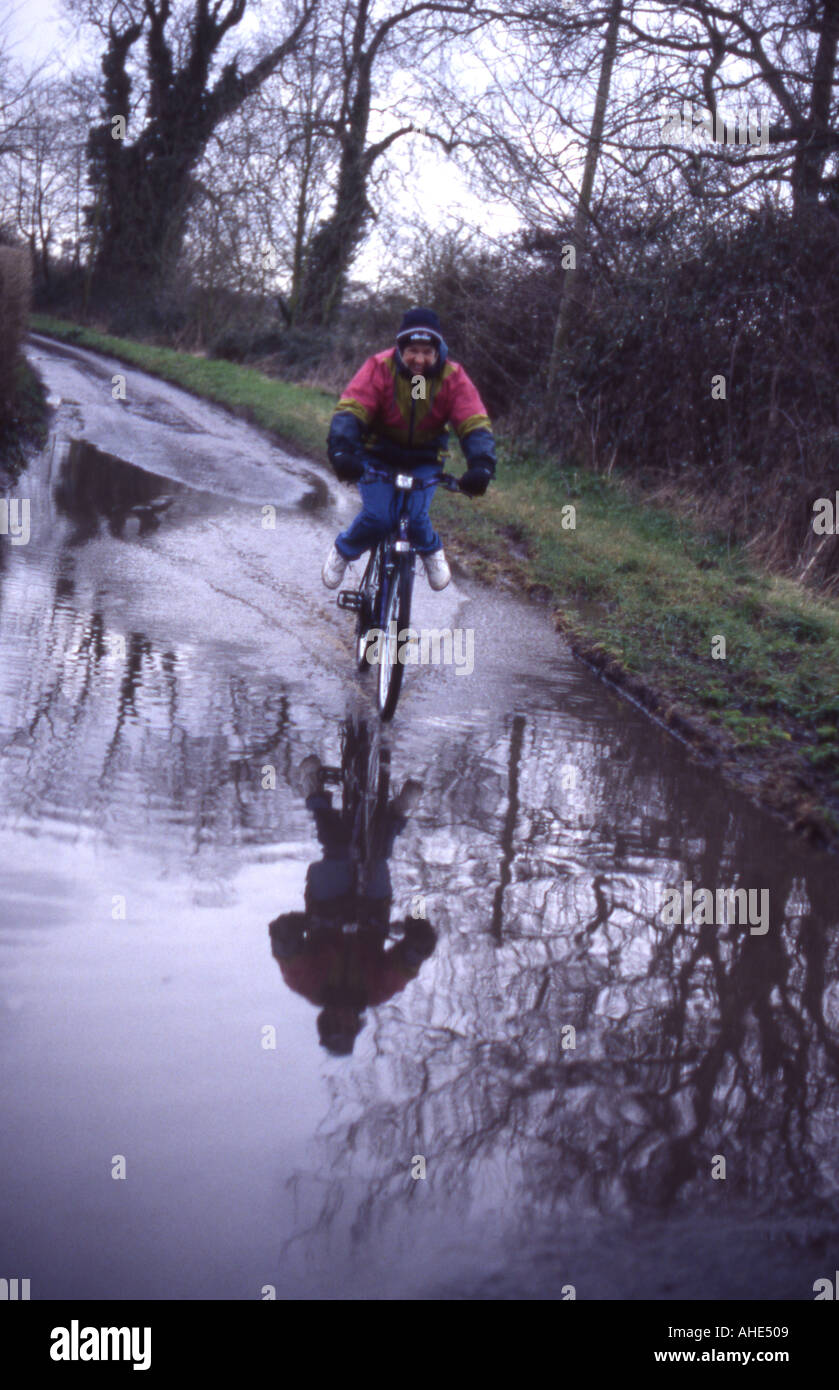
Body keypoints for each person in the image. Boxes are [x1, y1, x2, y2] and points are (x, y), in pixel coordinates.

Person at [322, 307, 497, 592]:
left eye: (427, 351)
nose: (419, 359)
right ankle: (343, 551)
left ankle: (431, 551)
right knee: (379, 517)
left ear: (438, 351)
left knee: (415, 517)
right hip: (378, 454)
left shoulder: (453, 377)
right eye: (412, 350)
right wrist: (342, 450)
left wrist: (481, 465)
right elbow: (353, 408)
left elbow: (473, 420)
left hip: (424, 459)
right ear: (400, 349)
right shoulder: (379, 367)